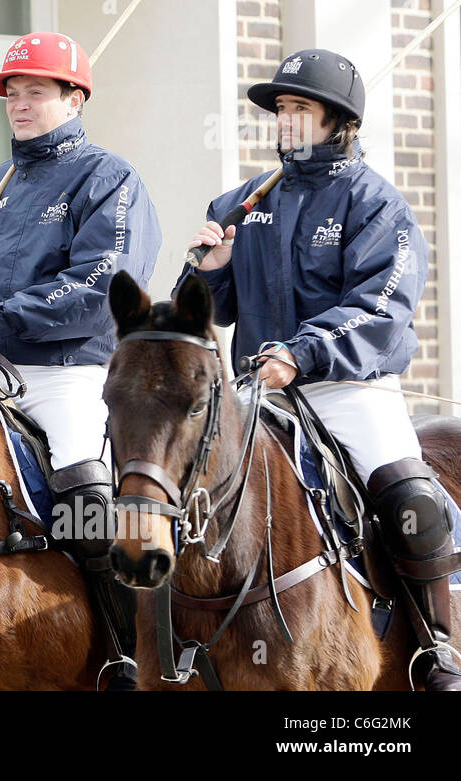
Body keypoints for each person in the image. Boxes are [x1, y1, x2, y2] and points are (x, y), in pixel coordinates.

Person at [183, 48, 460, 691]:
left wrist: (303, 352)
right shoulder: (238, 204)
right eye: (281, 108)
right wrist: (208, 270)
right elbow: (203, 311)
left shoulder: (377, 205)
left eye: (300, 108)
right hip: (259, 394)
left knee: (410, 497)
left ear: (340, 122)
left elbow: (381, 307)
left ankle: (437, 646)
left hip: (349, 388)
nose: (285, 120)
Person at [0, 32, 162, 690]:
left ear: (74, 98)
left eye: (35, 92)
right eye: (11, 93)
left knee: (85, 487)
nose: (19, 104)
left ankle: (127, 651)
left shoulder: (110, 179)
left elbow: (101, 284)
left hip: (69, 373)